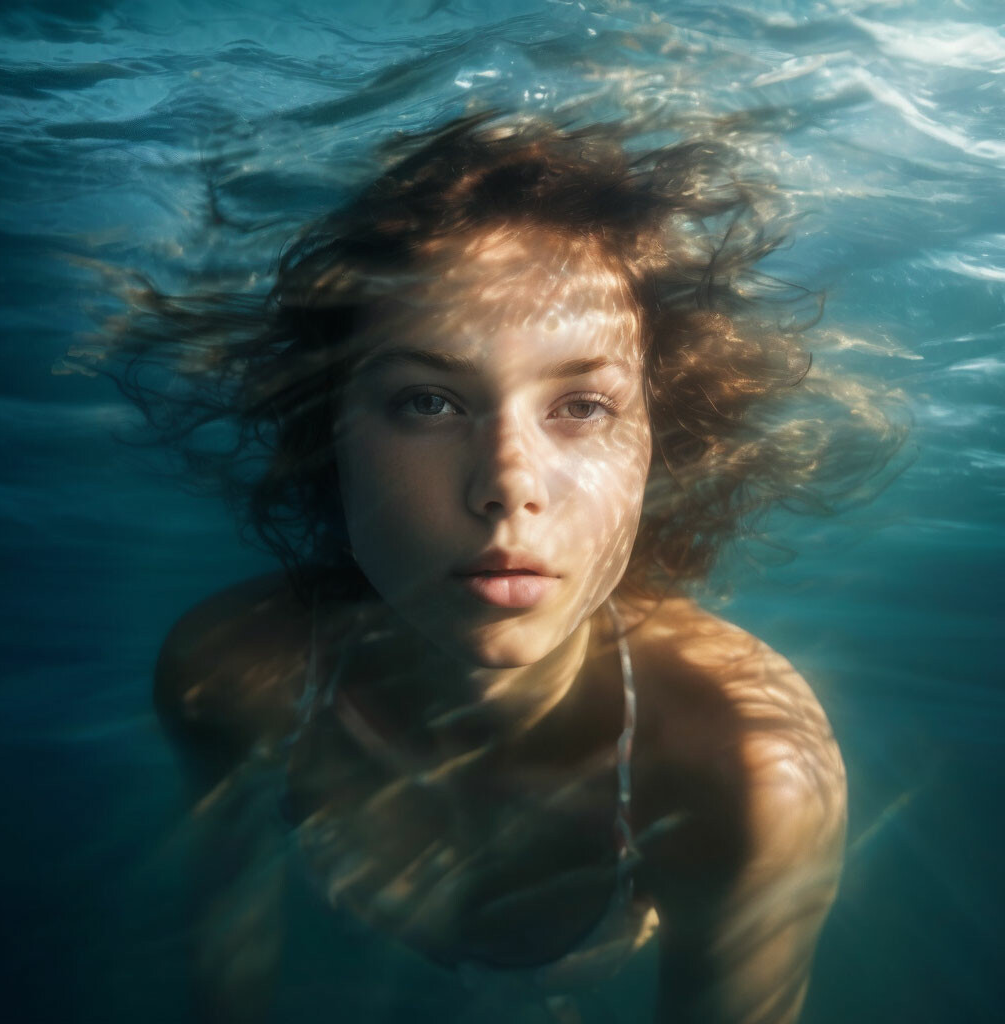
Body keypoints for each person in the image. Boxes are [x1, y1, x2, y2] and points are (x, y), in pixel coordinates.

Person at [129, 113, 892, 1023]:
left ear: (660, 438)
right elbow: (227, 964)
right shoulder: (231, 672)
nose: (508, 485)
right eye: (428, 400)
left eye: (580, 405)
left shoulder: (744, 769)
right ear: (326, 433)